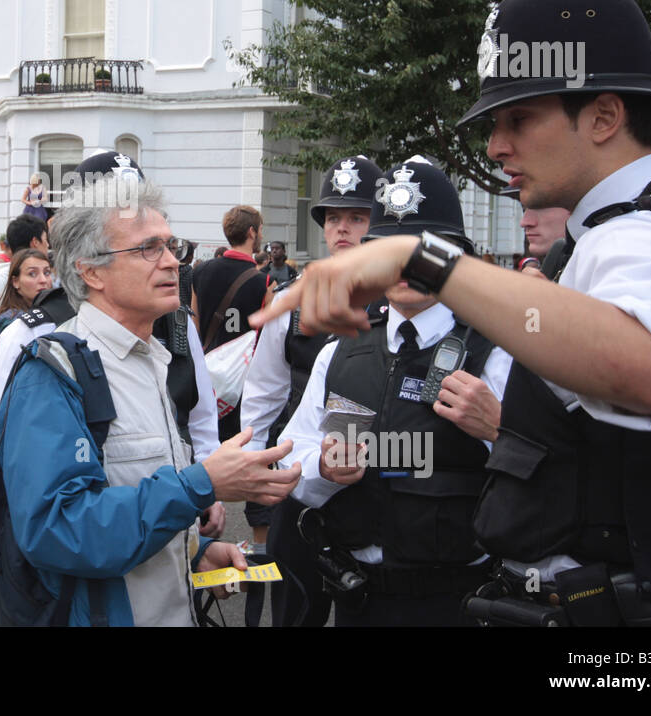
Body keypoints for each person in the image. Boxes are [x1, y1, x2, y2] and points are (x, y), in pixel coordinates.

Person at [254, 0, 651, 626]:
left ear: (604, 116)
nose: (495, 145)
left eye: (519, 118)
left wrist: (422, 259)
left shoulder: (650, 236)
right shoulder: (607, 238)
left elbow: (650, 373)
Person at [0, 173, 302, 625]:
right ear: (90, 271)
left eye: (170, 246)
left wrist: (192, 555)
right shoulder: (54, 373)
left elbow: (139, 501)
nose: (172, 263)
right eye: (146, 249)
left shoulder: (158, 360)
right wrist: (203, 484)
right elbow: (55, 531)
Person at [275, 158, 514, 626]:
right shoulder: (343, 351)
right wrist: (323, 467)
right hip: (359, 600)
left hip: (457, 604)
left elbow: (553, 470)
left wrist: (499, 429)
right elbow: (292, 456)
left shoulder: (497, 351)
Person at [240, 154, 382, 627]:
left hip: (379, 486)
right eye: (333, 217)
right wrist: (256, 471)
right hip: (297, 480)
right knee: (295, 611)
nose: (343, 229)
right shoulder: (291, 300)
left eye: (357, 217)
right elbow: (263, 392)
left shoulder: (402, 300)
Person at [191, 202, 273, 552]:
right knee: (256, 452)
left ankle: (205, 541)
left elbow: (193, 325)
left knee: (206, 456)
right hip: (244, 383)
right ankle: (259, 545)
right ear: (252, 233)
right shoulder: (262, 280)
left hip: (208, 380)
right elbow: (267, 335)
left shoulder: (201, 271)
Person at [0, 214, 49, 358]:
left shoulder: (49, 280)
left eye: (46, 273)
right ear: (35, 242)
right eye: (46, 240)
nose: (48, 245)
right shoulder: (1, 280)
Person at [0, 248, 53, 382]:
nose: (43, 280)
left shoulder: (51, 315)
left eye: (47, 272)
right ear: (15, 281)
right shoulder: (9, 322)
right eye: (32, 274)